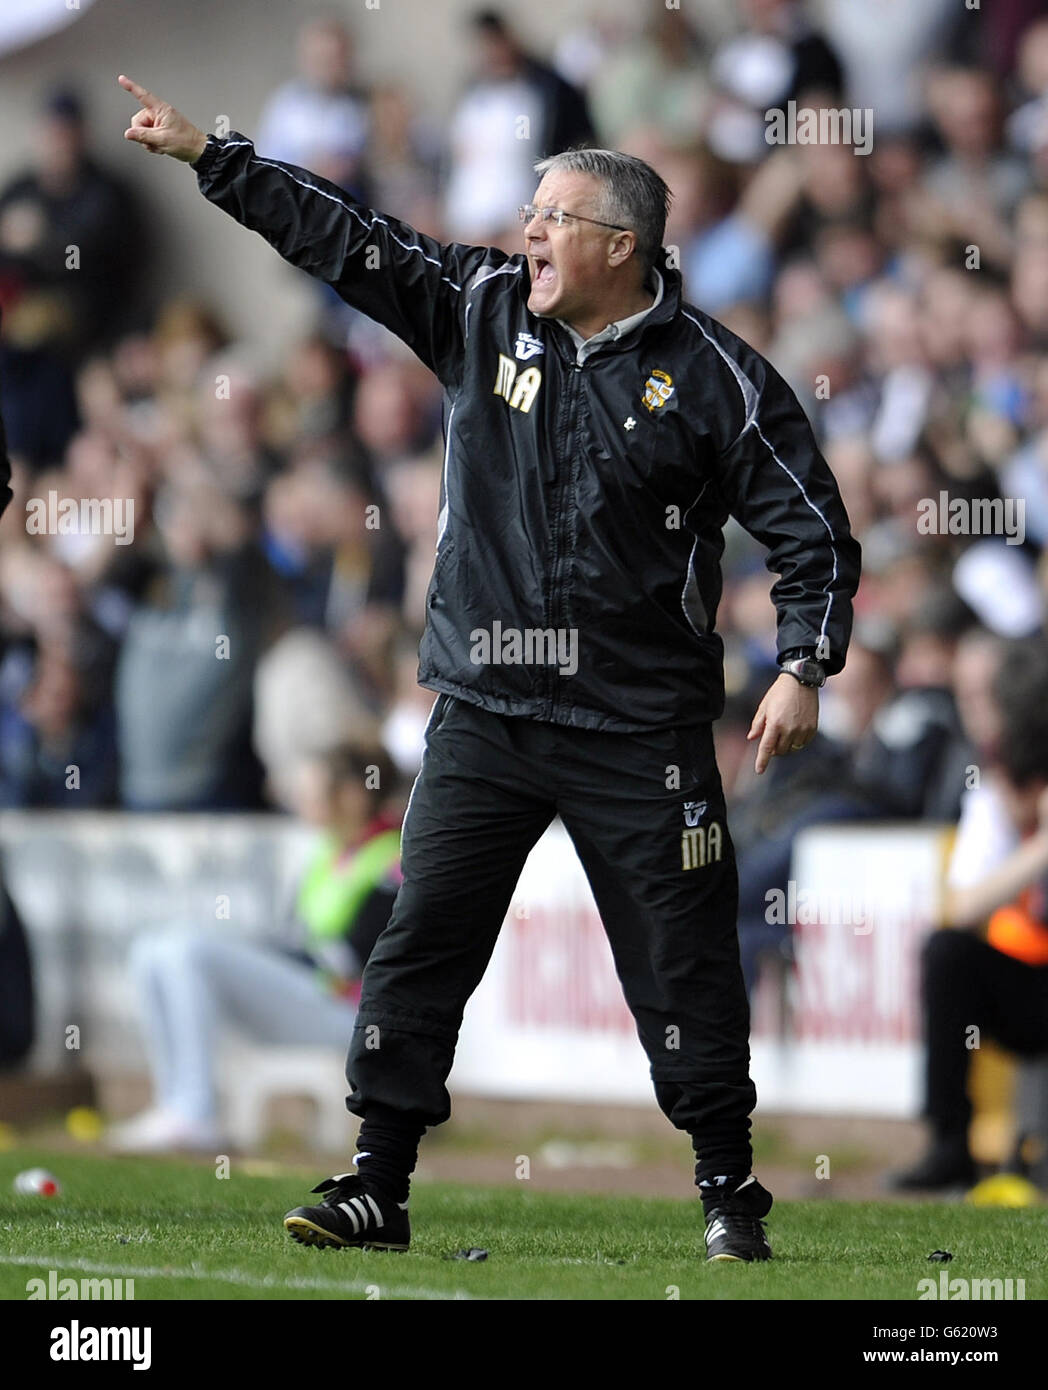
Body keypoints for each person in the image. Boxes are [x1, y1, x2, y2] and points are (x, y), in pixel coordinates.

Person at [117, 72, 862, 1262]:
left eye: (552, 215)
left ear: (620, 245)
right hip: (485, 706)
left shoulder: (717, 376)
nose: (527, 232)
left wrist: (801, 665)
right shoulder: (479, 304)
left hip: (642, 727)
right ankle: (378, 1182)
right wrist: (216, 156)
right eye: (528, 212)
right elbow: (346, 238)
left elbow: (810, 528)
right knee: (422, 944)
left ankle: (728, 1190)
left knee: (683, 965)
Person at [109, 743, 403, 1153]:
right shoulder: (328, 853)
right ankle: (175, 1103)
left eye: (315, 791)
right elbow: (295, 939)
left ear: (354, 794)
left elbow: (351, 959)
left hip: (350, 1012)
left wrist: (269, 954)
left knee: (188, 951)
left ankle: (197, 1111)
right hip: (310, 993)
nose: (303, 800)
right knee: (151, 949)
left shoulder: (393, 857)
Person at [890, 639, 1048, 1192]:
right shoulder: (1000, 785)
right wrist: (1039, 848)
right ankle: (950, 1145)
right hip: (1032, 987)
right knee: (947, 953)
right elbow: (960, 910)